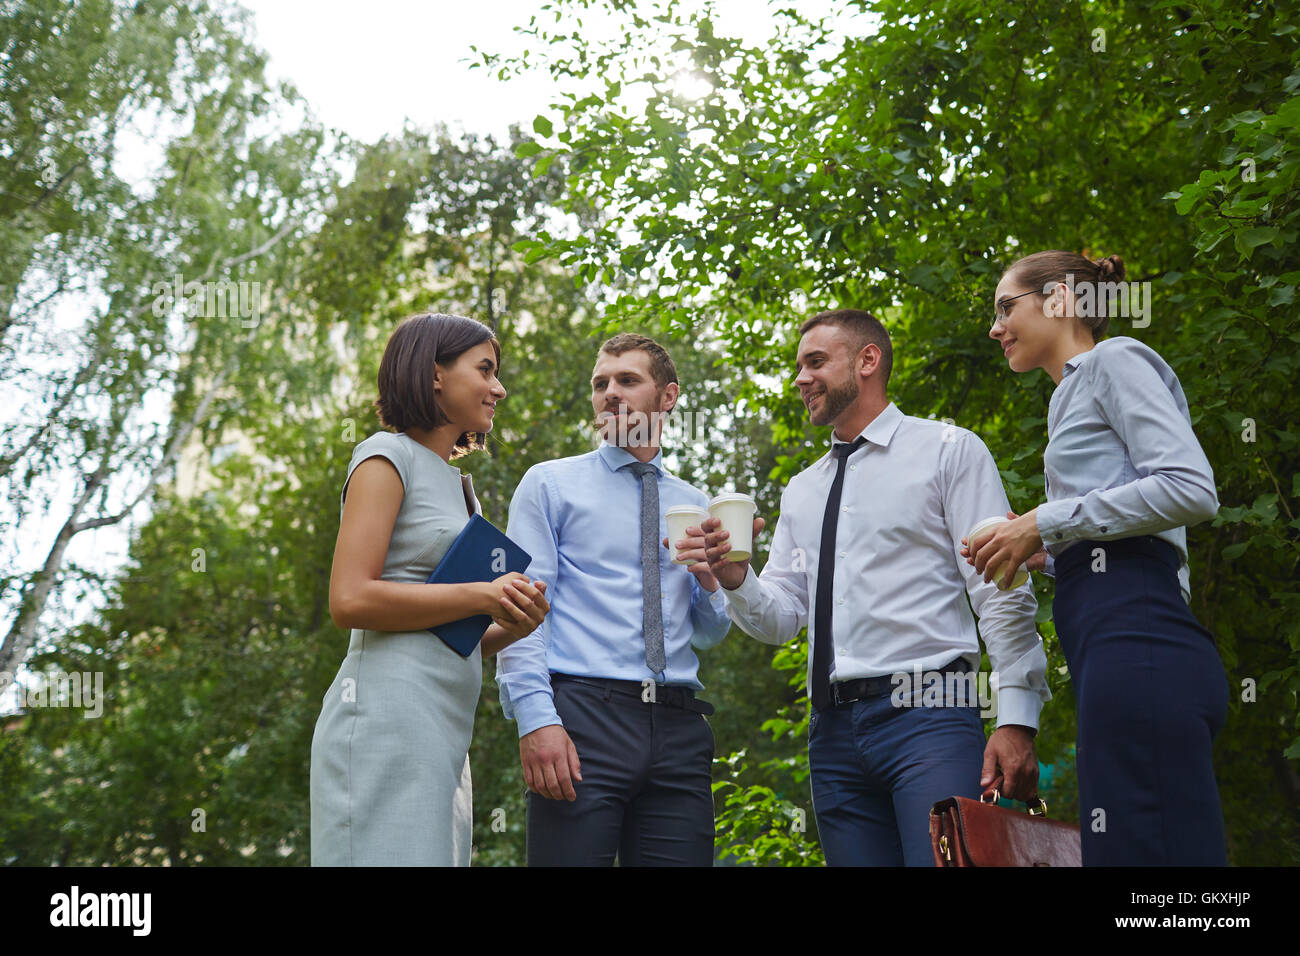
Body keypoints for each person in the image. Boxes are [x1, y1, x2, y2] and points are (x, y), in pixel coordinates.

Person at [689, 309, 1051, 867]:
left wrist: (1016, 716)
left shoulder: (948, 450)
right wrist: (737, 577)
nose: (800, 378)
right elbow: (782, 619)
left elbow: (999, 586)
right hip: (830, 735)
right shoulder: (803, 490)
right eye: (798, 366)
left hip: (930, 713)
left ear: (867, 360)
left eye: (815, 362)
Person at [972, 251, 1228, 866]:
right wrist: (1048, 551)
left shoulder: (1115, 360)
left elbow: (1192, 488)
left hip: (1140, 641)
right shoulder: (1065, 401)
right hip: (1115, 653)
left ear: (1058, 300)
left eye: (1007, 307)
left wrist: (1047, 521)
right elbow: (1124, 530)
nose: (994, 327)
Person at [311, 312, 550, 866]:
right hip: (384, 721)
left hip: (443, 737)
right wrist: (482, 597)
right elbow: (349, 600)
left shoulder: (462, 490)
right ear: (435, 373)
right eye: (485, 369)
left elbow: (447, 635)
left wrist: (508, 626)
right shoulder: (384, 457)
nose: (499, 387)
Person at [495, 333, 732, 866]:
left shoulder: (694, 504)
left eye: (628, 380)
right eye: (600, 383)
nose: (610, 394)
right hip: (582, 719)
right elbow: (521, 613)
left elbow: (708, 632)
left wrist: (712, 580)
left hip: (680, 727)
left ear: (667, 397)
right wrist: (536, 719)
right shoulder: (550, 485)